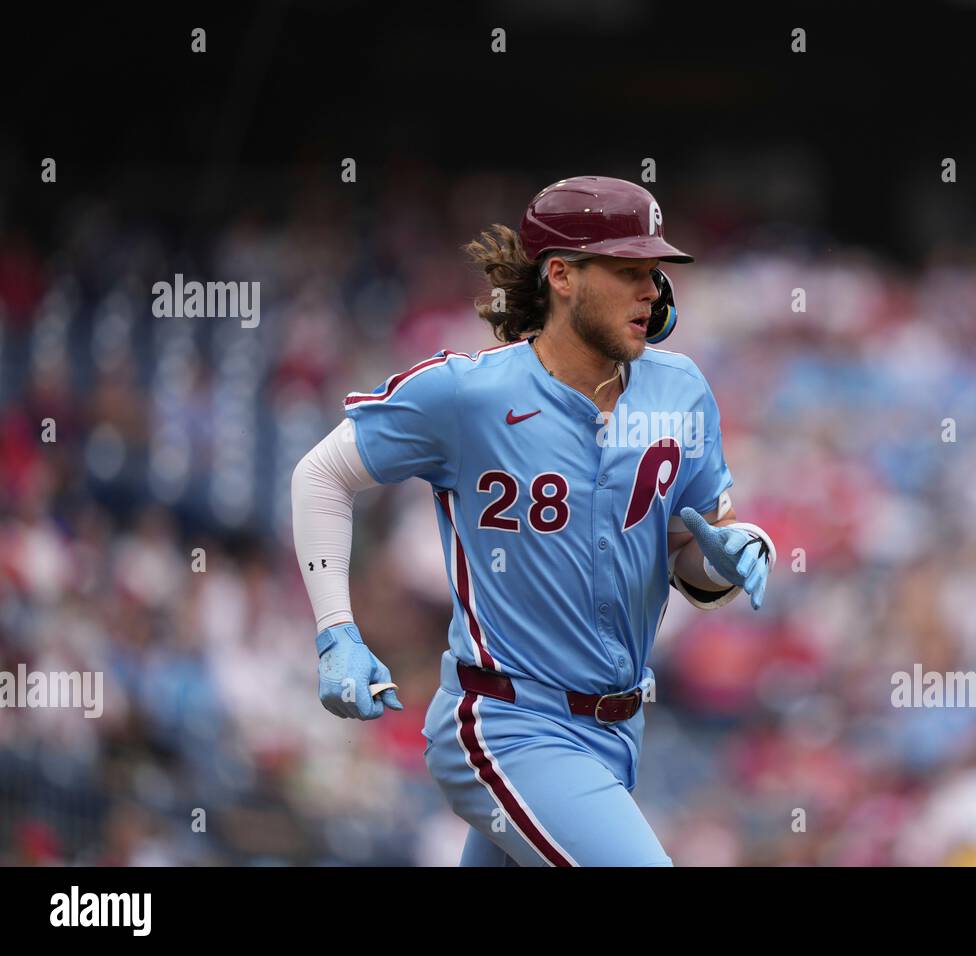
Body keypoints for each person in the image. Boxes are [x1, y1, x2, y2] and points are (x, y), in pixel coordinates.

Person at [291, 175, 775, 866]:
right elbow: (320, 475)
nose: (652, 290)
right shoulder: (469, 393)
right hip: (507, 720)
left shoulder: (681, 390)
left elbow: (695, 559)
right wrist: (336, 631)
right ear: (562, 276)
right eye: (628, 269)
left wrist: (732, 555)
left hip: (616, 731)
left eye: (655, 271)